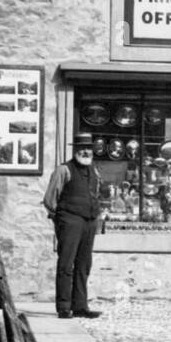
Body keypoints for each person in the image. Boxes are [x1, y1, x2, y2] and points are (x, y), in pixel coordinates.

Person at [42, 132, 105, 319]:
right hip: (69, 220)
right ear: (75, 150)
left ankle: (80, 305)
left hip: (89, 221)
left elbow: (96, 194)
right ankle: (63, 306)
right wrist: (60, 218)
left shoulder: (94, 171)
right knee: (66, 264)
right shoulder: (64, 170)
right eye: (81, 148)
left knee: (84, 264)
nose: (85, 152)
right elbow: (49, 199)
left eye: (88, 149)